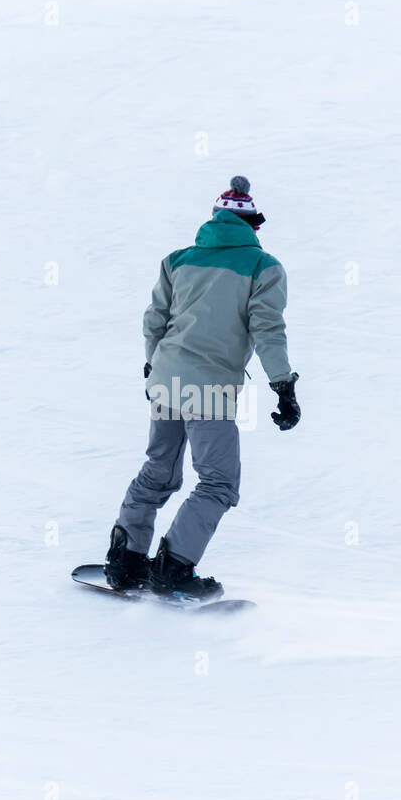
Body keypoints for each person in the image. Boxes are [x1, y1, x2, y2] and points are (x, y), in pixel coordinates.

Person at [103, 176, 301, 599]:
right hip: (208, 389)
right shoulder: (263, 268)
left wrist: (152, 365)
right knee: (218, 482)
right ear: (253, 226)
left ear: (214, 219)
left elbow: (154, 319)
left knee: (159, 469)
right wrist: (283, 385)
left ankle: (126, 558)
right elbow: (267, 329)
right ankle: (173, 568)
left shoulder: (178, 260)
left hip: (165, 379)